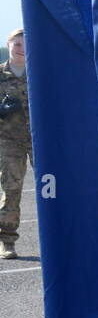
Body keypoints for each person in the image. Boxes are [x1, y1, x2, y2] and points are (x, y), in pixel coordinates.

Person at [0, 28, 32, 261]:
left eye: (25, 44)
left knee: (53, 188)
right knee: (11, 190)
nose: (21, 49)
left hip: (41, 140)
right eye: (17, 44)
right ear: (9, 45)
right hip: (9, 141)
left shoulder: (40, 72)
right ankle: (7, 241)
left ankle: (60, 237)